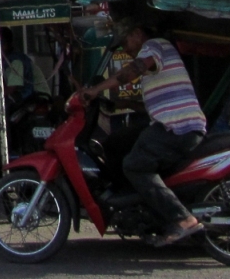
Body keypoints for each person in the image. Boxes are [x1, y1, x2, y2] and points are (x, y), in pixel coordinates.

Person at [76, 19, 207, 247]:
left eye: (125, 42)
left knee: (134, 165)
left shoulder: (155, 46)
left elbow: (132, 72)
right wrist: (116, 103)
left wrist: (96, 90)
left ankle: (183, 218)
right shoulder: (155, 54)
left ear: (137, 33)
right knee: (116, 142)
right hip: (170, 125)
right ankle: (134, 200)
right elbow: (150, 103)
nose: (125, 49)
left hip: (178, 127)